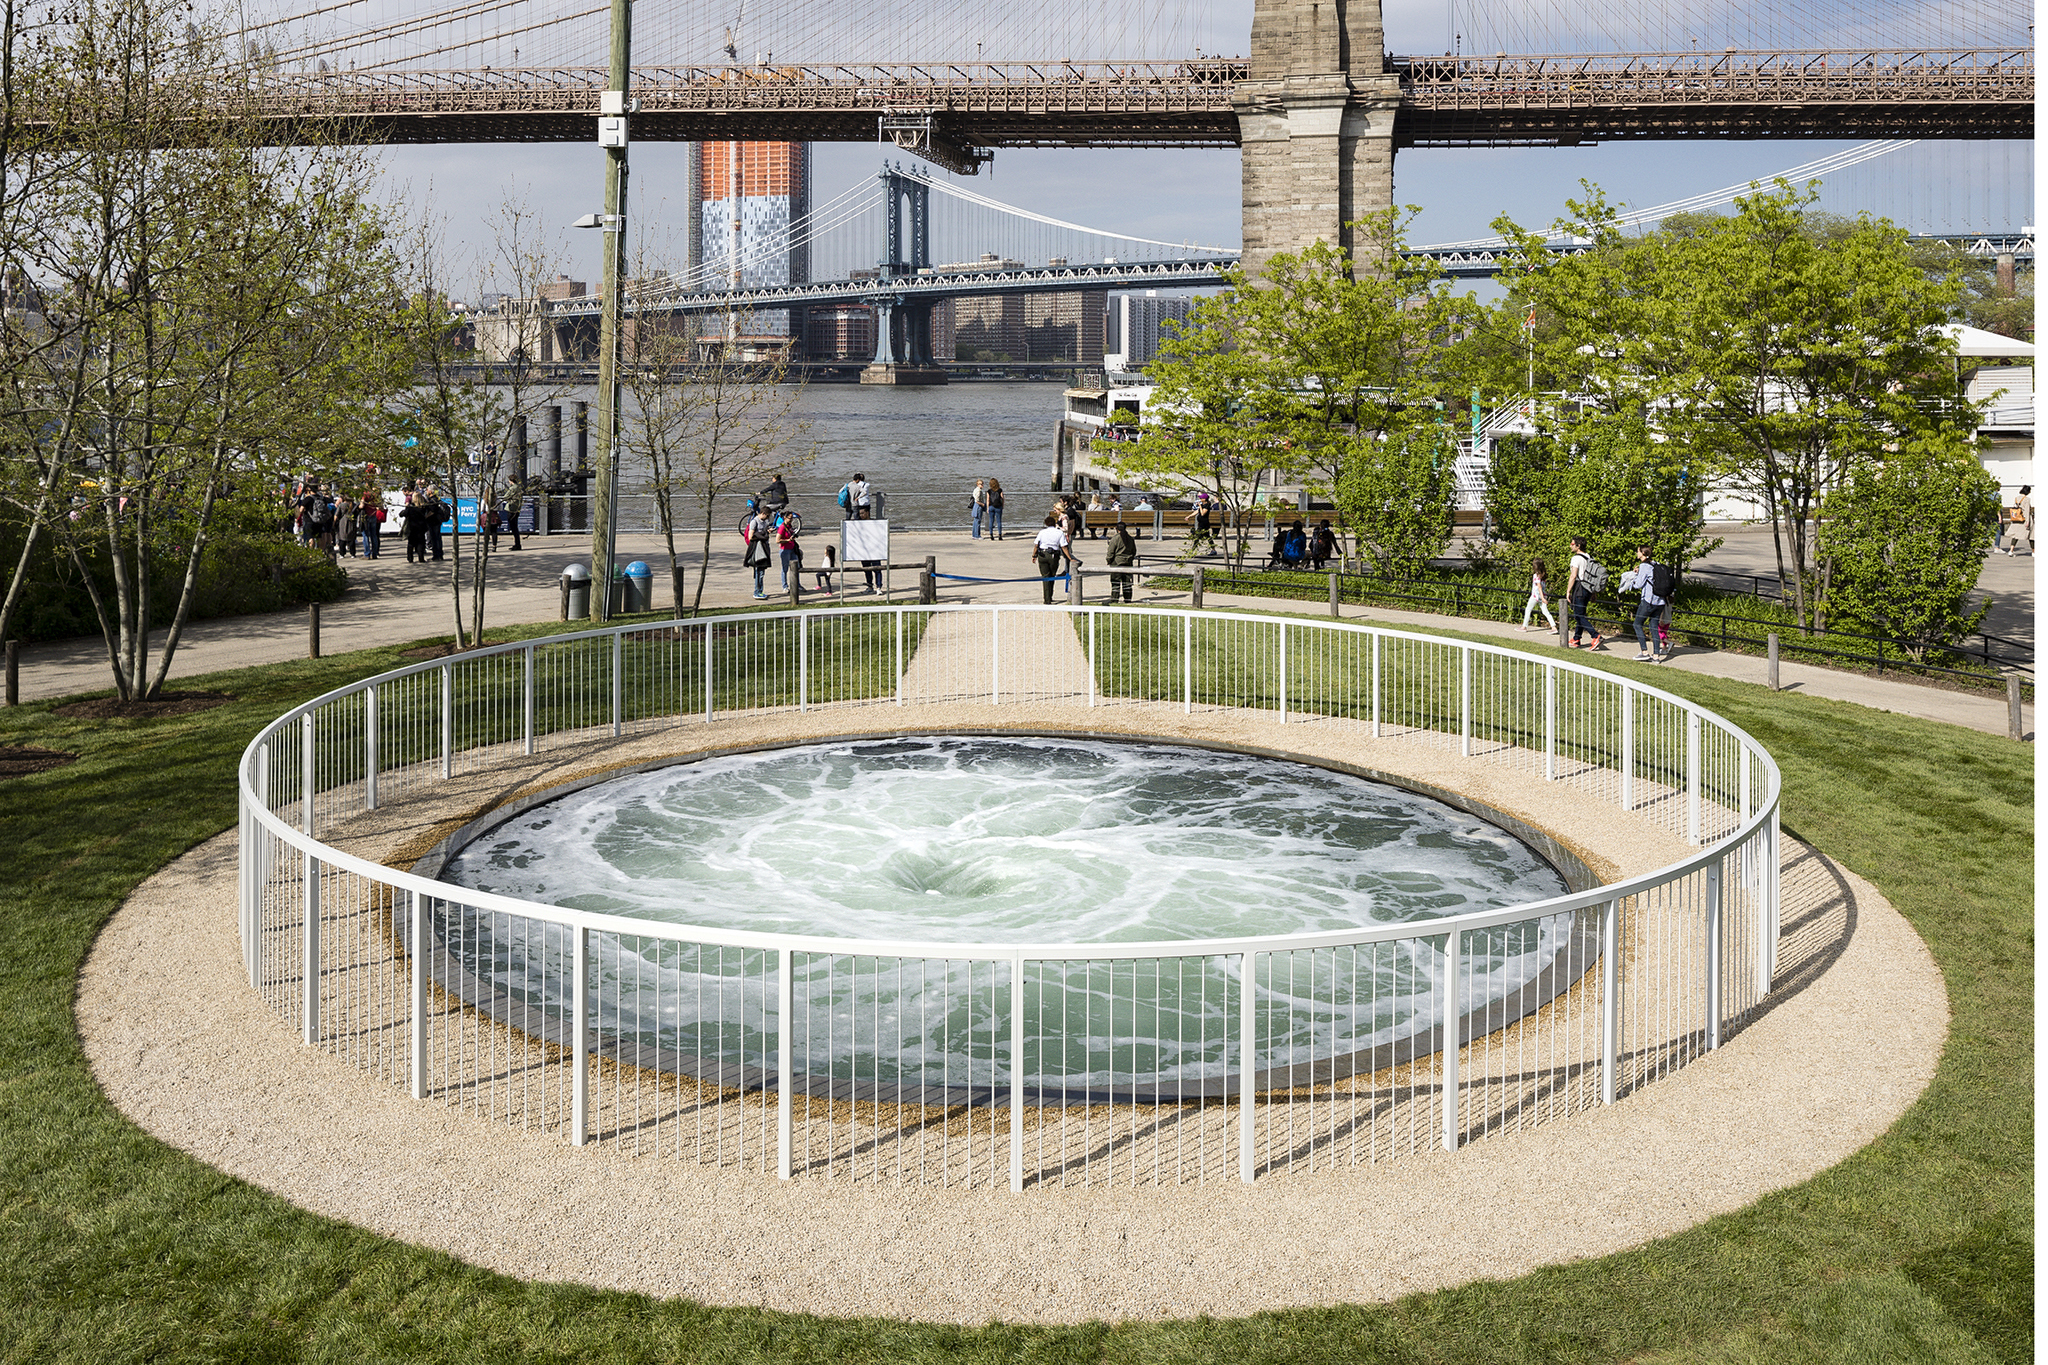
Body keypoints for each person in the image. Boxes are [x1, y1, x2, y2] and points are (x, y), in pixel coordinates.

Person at [1618, 546, 1670, 662]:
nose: (1636, 553)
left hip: (1648, 601)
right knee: (1654, 627)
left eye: (1638, 551)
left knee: (1637, 624)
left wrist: (1632, 580)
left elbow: (1638, 584)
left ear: (1642, 553)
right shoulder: (1656, 564)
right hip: (1660, 601)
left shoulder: (1644, 566)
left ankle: (1644, 652)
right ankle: (1656, 656)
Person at [1564, 536, 1605, 650]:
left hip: (1580, 587)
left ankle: (1596, 636)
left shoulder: (1576, 558)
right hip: (1588, 588)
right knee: (1580, 614)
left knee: (1578, 615)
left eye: (1572, 544)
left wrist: (1568, 591)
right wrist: (1593, 593)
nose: (1570, 546)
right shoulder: (1589, 557)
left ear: (1578, 546)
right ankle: (1576, 638)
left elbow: (1573, 576)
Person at [1031, 512, 1073, 604]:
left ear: (1046, 524)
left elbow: (1036, 545)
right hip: (1054, 555)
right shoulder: (1059, 533)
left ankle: (1047, 599)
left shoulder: (1042, 532)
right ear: (1054, 524)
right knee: (1052, 576)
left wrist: (1034, 555)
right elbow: (1064, 547)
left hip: (1043, 554)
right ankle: (1050, 596)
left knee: (1045, 576)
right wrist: (1070, 558)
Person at [1518, 557, 1558, 634]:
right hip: (1543, 594)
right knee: (1545, 611)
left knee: (1528, 609)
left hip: (1536, 595)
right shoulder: (1543, 575)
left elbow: (1539, 587)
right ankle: (1553, 626)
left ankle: (1524, 626)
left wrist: (1542, 598)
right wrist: (1543, 597)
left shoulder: (1536, 575)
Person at [742, 506, 774, 598]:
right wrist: (763, 533)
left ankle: (760, 590)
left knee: (762, 571)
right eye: (767, 516)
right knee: (759, 571)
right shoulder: (754, 522)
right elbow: (751, 536)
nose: (768, 518)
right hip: (757, 548)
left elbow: (764, 533)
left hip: (764, 547)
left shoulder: (765, 522)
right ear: (762, 513)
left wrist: (767, 531)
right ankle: (757, 591)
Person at [1105, 521, 1138, 603]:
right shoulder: (1130, 538)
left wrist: (1108, 560)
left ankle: (1114, 599)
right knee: (1127, 583)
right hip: (1128, 563)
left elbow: (1111, 552)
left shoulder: (1115, 539)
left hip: (1117, 563)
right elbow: (1134, 551)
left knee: (1115, 582)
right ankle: (1127, 599)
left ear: (1117, 529)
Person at [776, 514, 804, 592]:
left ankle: (797, 585)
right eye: (790, 518)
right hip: (785, 550)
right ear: (785, 518)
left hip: (792, 549)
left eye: (792, 518)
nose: (791, 520)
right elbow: (777, 540)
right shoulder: (782, 527)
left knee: (796, 567)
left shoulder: (789, 526)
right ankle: (785, 586)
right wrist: (788, 540)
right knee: (785, 568)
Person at [399, 491, 429, 564]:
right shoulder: (423, 507)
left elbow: (402, 514)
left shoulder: (411, 507)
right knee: (421, 543)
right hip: (421, 527)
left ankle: (410, 558)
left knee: (411, 543)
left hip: (412, 527)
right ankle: (421, 558)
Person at [2004, 486, 2033, 555]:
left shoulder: (2017, 498)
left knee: (2015, 535)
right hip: (2024, 518)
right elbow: (2027, 510)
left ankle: (2011, 550)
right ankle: (2033, 551)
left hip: (2017, 519)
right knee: (2031, 535)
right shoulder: (2027, 499)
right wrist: (2027, 521)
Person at [419, 487, 446, 561]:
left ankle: (437, 555)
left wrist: (425, 517)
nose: (426, 491)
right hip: (436, 521)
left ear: (431, 491)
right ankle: (438, 554)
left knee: (435, 538)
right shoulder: (435, 500)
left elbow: (432, 511)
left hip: (434, 521)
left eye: (427, 490)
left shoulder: (433, 500)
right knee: (436, 538)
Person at [359, 493, 383, 559]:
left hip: (366, 516)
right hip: (374, 515)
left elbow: (362, 505)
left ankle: (367, 554)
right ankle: (375, 553)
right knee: (374, 535)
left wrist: (359, 506)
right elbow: (380, 506)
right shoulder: (375, 494)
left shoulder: (365, 493)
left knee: (366, 535)